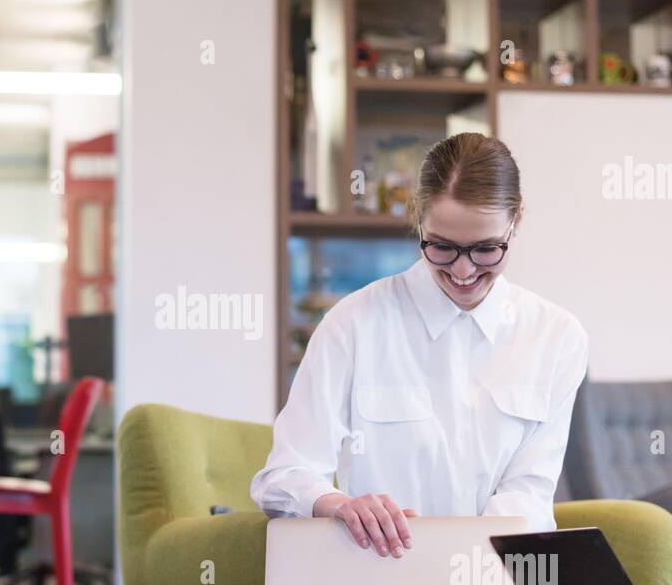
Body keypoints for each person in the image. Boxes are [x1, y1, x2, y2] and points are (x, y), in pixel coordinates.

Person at [252, 133, 589, 559]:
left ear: (516, 220)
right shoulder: (352, 324)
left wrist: (464, 571)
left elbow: (528, 494)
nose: (463, 270)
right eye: (442, 247)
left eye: (487, 249)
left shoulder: (557, 336)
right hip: (379, 576)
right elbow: (282, 476)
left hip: (499, 575)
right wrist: (338, 505)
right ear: (418, 220)